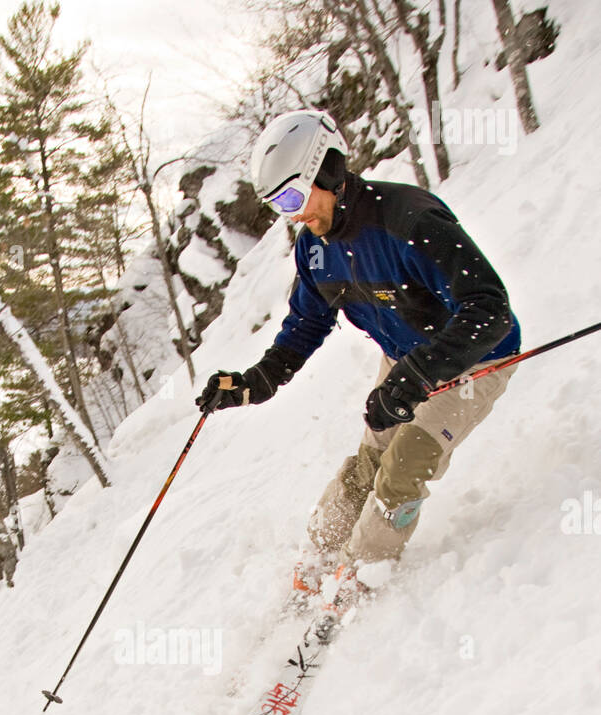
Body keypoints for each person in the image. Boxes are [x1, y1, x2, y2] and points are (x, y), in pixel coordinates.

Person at [196, 109, 520, 588]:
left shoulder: (408, 220)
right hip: (406, 359)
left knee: (404, 465)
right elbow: (306, 324)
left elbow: (489, 309)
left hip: (474, 356)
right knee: (366, 466)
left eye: (292, 197)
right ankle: (318, 560)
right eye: (277, 206)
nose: (293, 215)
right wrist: (254, 383)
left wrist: (420, 375)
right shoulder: (315, 250)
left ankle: (361, 578)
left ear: (326, 171)